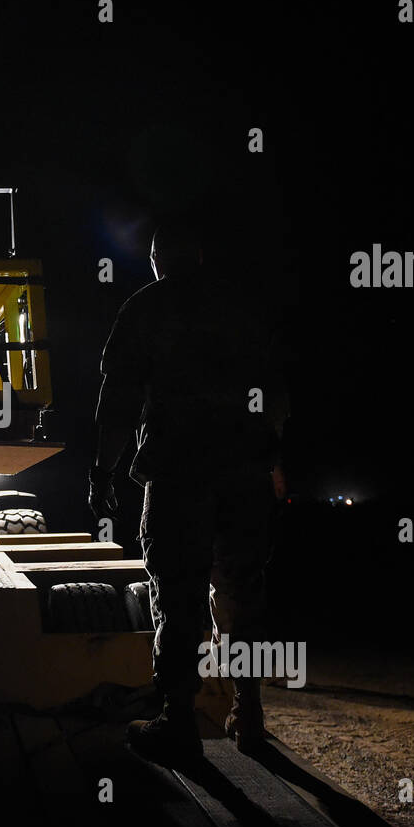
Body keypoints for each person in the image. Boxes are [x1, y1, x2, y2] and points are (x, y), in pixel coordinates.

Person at [89, 216, 288, 764]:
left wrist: (104, 474)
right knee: (241, 595)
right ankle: (248, 712)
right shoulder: (241, 309)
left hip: (181, 476)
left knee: (177, 598)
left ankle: (178, 721)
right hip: (245, 474)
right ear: (198, 256)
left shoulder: (145, 308)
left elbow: (118, 405)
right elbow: (274, 394)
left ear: (157, 261)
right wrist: (271, 461)